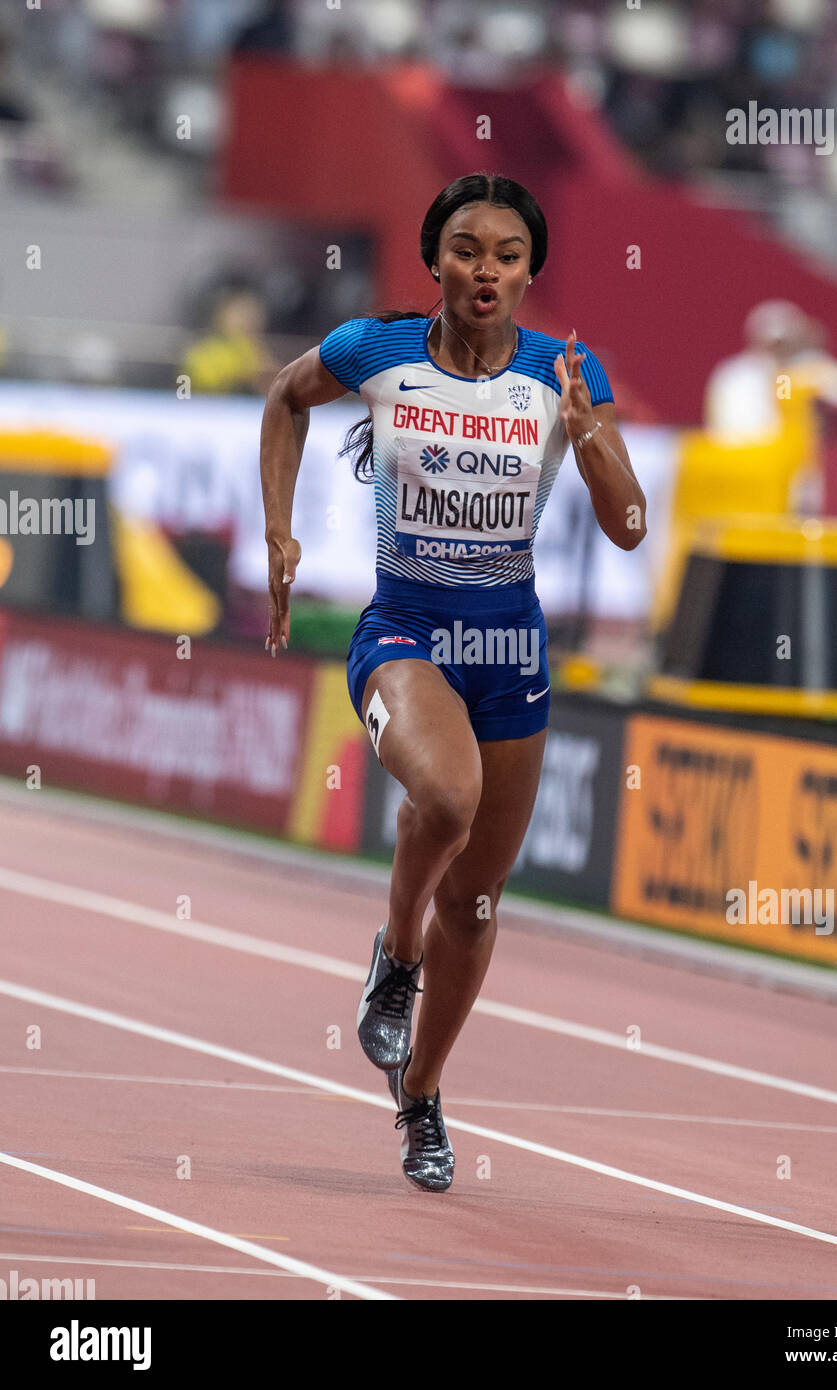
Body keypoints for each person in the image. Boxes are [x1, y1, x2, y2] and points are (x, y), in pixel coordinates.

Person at [259, 172, 646, 1191]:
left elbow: (631, 525)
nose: (487, 269)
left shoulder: (565, 372)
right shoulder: (373, 351)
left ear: (530, 276)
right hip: (405, 629)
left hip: (509, 647)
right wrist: (279, 529)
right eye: (468, 249)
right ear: (434, 260)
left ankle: (420, 1093)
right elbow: (282, 400)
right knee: (445, 797)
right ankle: (394, 955)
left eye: (508, 256)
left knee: (474, 903)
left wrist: (589, 428)